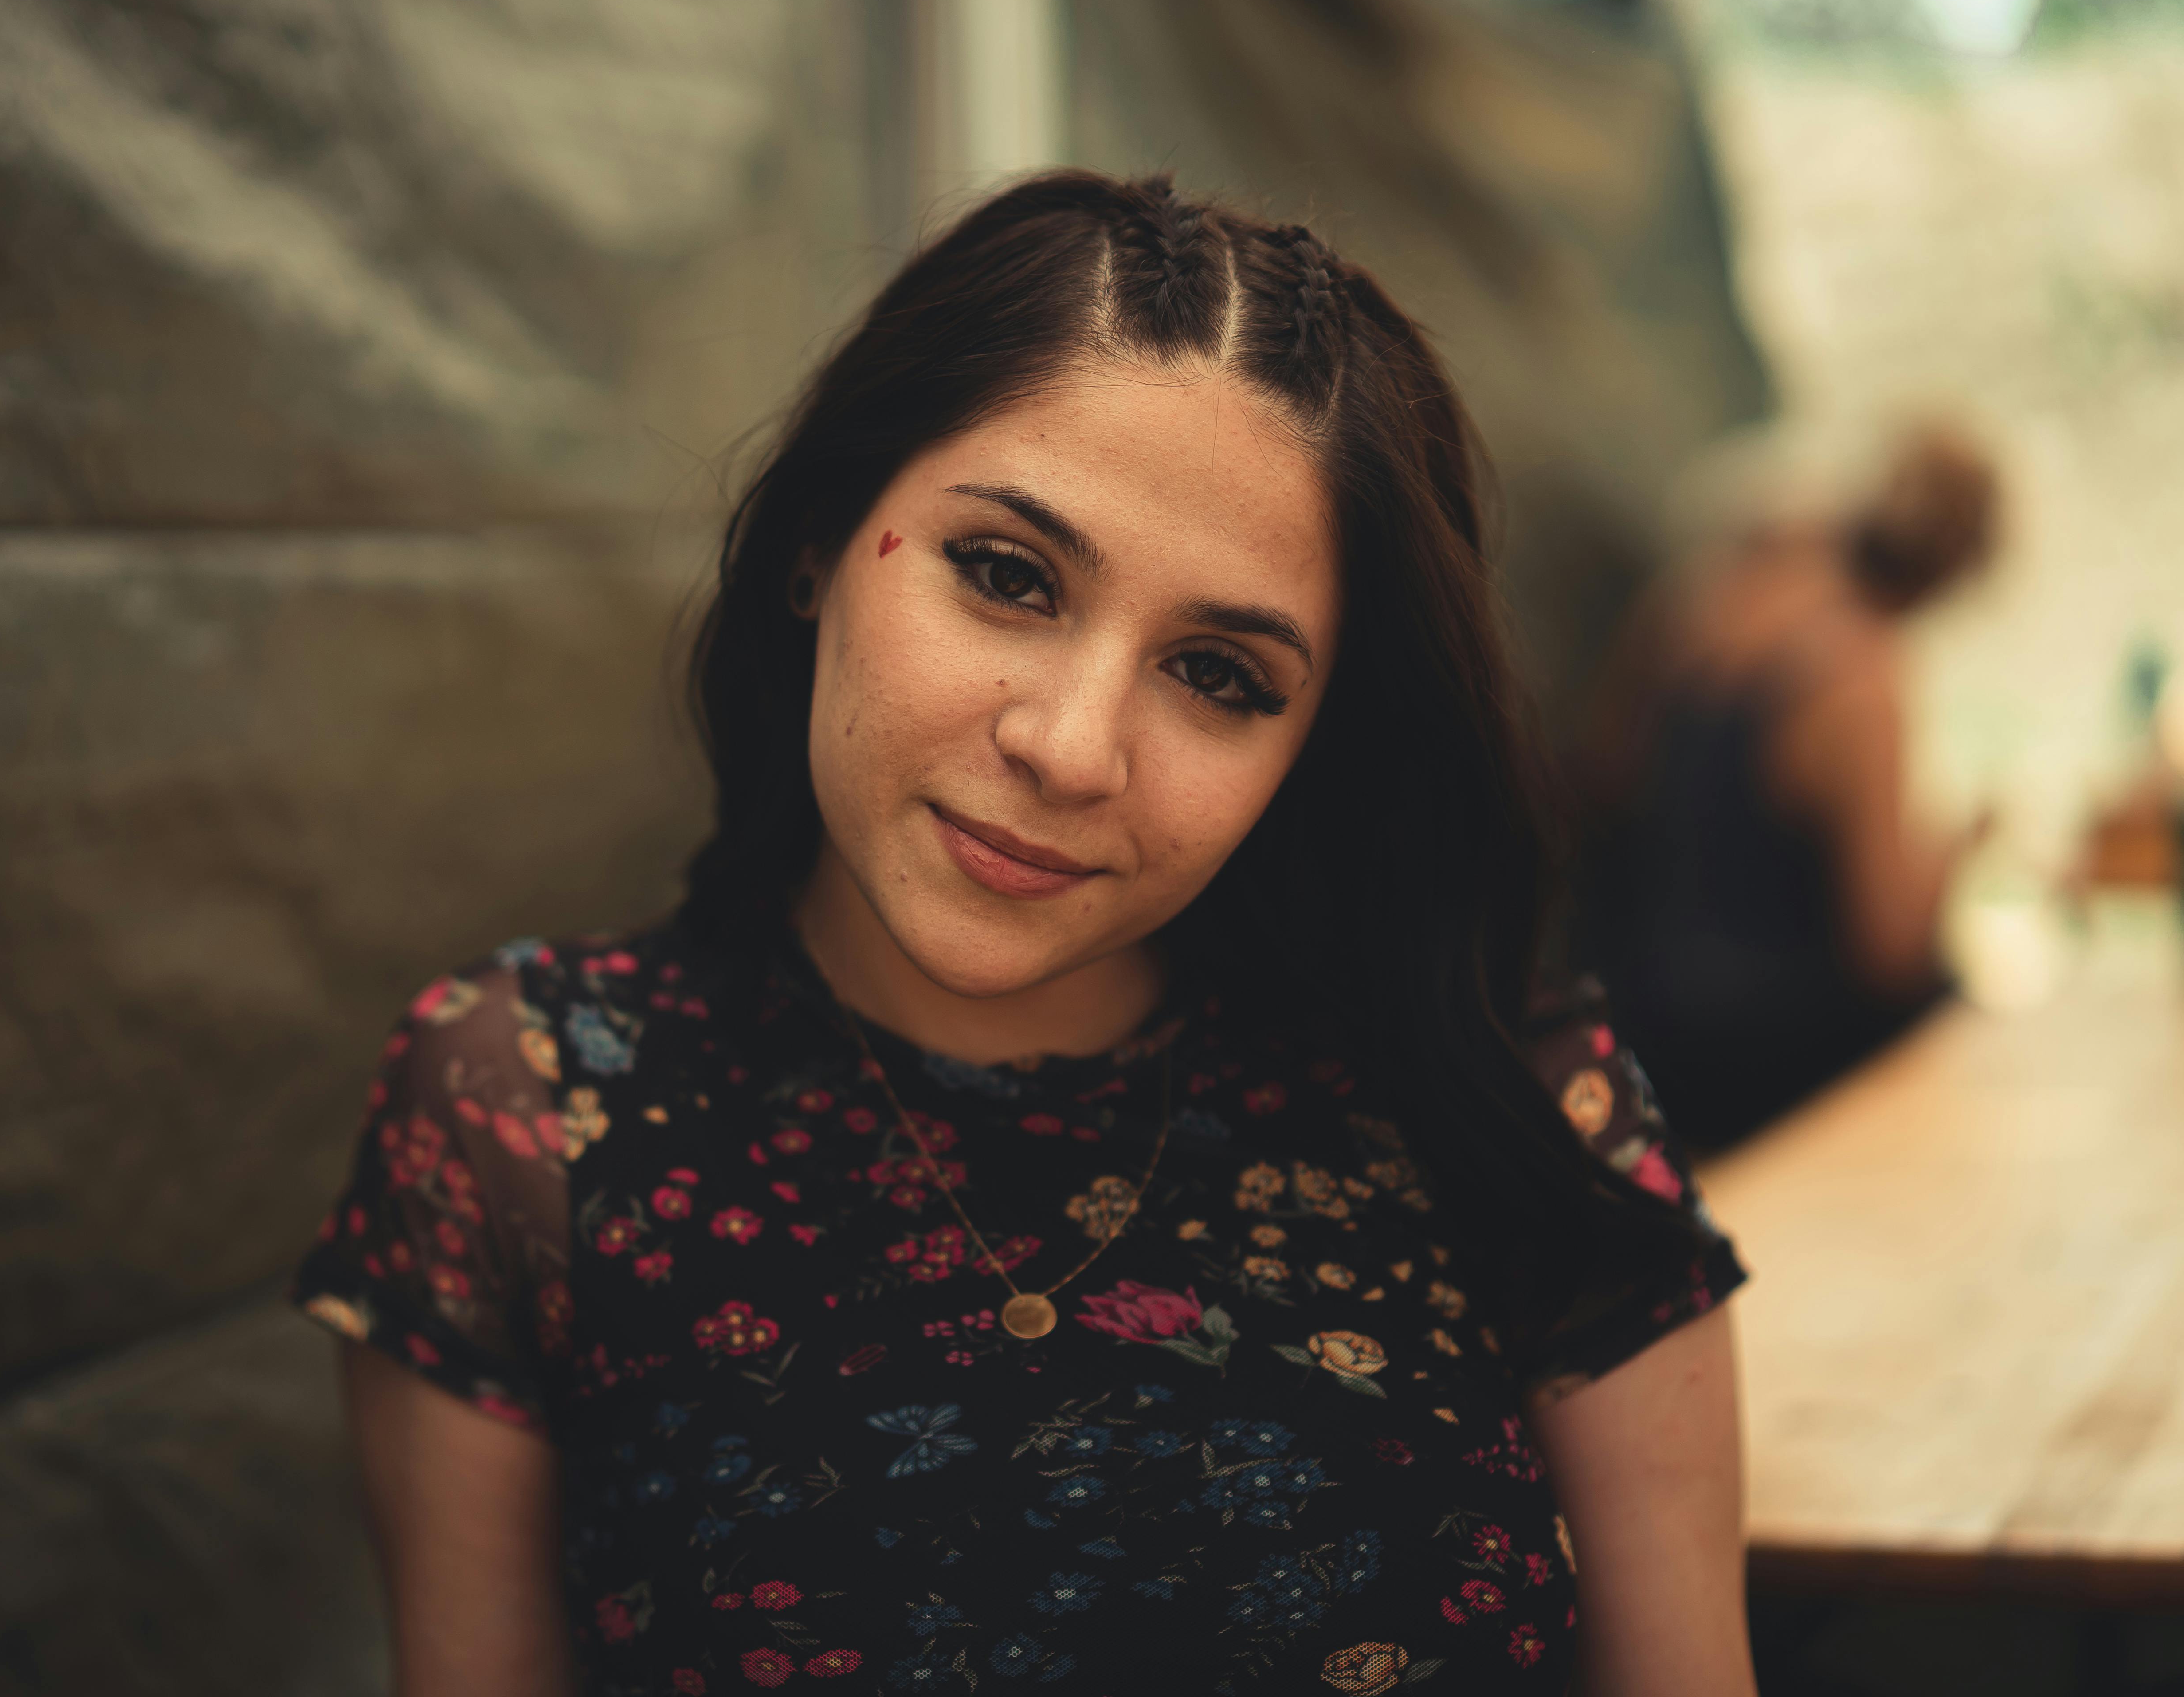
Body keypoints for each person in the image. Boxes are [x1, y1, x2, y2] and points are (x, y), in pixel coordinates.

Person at [294, 172, 1753, 1696]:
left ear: (1314, 740)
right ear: (818, 541)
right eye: (1006, 576)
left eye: (1219, 675)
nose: (1072, 747)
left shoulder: (1515, 1106)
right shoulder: (526, 1109)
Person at [1572, 426, 1998, 1151]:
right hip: (1764, 1048)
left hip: (1638, 1011)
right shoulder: (1863, 673)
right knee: (1955, 1014)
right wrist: (1969, 841)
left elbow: (1601, 772)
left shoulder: (1709, 597)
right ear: (1953, 572)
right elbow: (1888, 948)